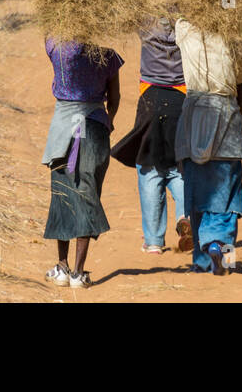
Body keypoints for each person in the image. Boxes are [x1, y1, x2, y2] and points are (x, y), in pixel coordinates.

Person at [173, 18, 242, 275]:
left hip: (194, 115)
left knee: (196, 191)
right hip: (226, 112)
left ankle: (202, 261)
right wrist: (236, 121)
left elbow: (177, 5)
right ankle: (221, 251)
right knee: (227, 192)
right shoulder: (235, 36)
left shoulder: (185, 31)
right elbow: (241, 91)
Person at [41, 37, 122, 289]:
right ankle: (78, 272)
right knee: (87, 192)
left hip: (63, 129)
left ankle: (62, 267)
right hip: (94, 127)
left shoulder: (58, 49)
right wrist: (109, 120)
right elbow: (115, 96)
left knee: (63, 193)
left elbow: (48, 34)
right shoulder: (107, 56)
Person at [111, 17, 192, 255]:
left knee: (149, 168)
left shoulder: (146, 24)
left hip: (150, 99)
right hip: (182, 99)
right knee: (179, 166)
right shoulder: (186, 27)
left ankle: (154, 241)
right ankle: (185, 215)